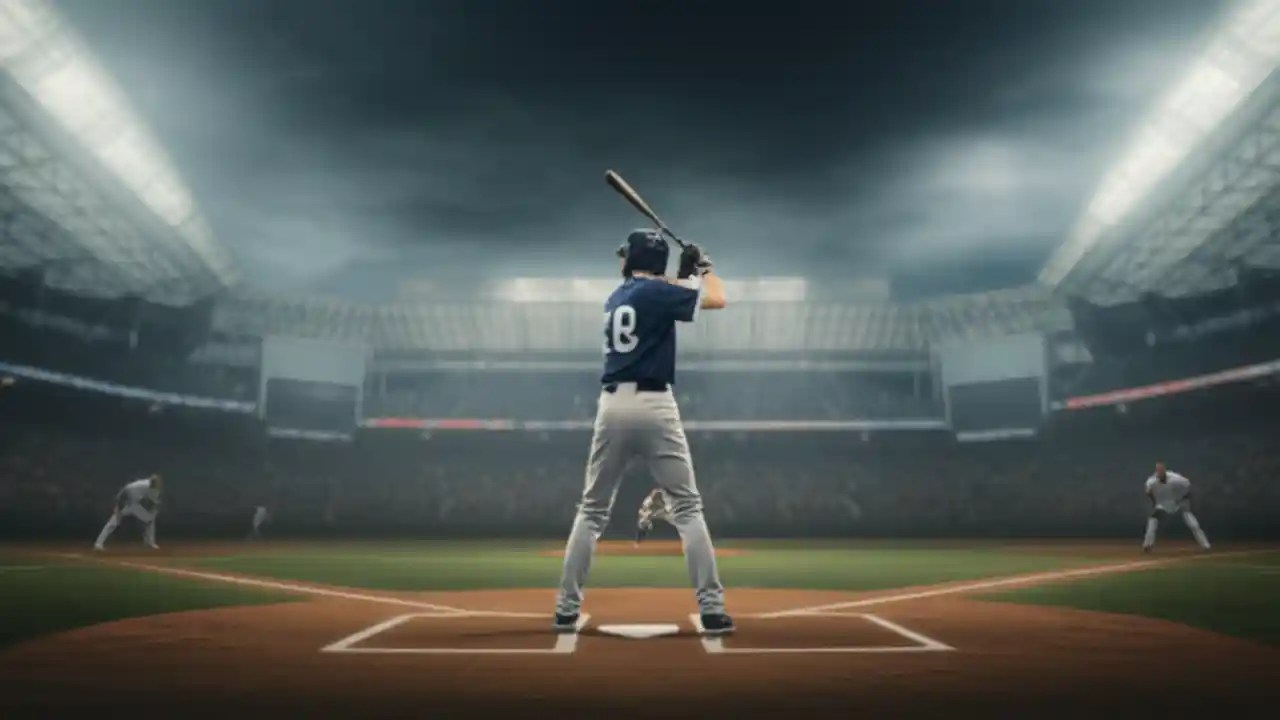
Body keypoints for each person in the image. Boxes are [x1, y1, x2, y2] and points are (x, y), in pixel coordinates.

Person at [553, 229, 734, 635]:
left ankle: (565, 609)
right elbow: (718, 298)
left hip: (612, 404)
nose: (620, 260)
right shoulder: (657, 293)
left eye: (625, 255)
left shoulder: (617, 297)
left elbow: (661, 294)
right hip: (655, 405)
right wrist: (705, 269)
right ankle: (712, 609)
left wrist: (684, 275)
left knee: (591, 510)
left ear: (635, 259)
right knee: (687, 508)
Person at [1143, 462, 1211, 552]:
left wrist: (1183, 499)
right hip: (1162, 505)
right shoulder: (1152, 481)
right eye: (1158, 471)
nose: (1160, 473)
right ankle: (1147, 545)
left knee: (1193, 524)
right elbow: (1148, 492)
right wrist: (1155, 501)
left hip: (1178, 503)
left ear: (1164, 470)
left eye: (1161, 470)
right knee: (1152, 521)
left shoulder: (1175, 478)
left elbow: (1188, 486)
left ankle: (1205, 545)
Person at [94, 474, 163, 551]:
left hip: (135, 506)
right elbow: (123, 491)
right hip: (125, 504)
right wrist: (117, 507)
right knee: (112, 523)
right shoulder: (141, 484)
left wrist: (152, 510)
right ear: (150, 481)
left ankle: (150, 542)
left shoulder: (155, 489)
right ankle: (98, 543)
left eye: (158, 483)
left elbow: (152, 503)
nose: (156, 484)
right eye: (155, 482)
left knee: (150, 520)